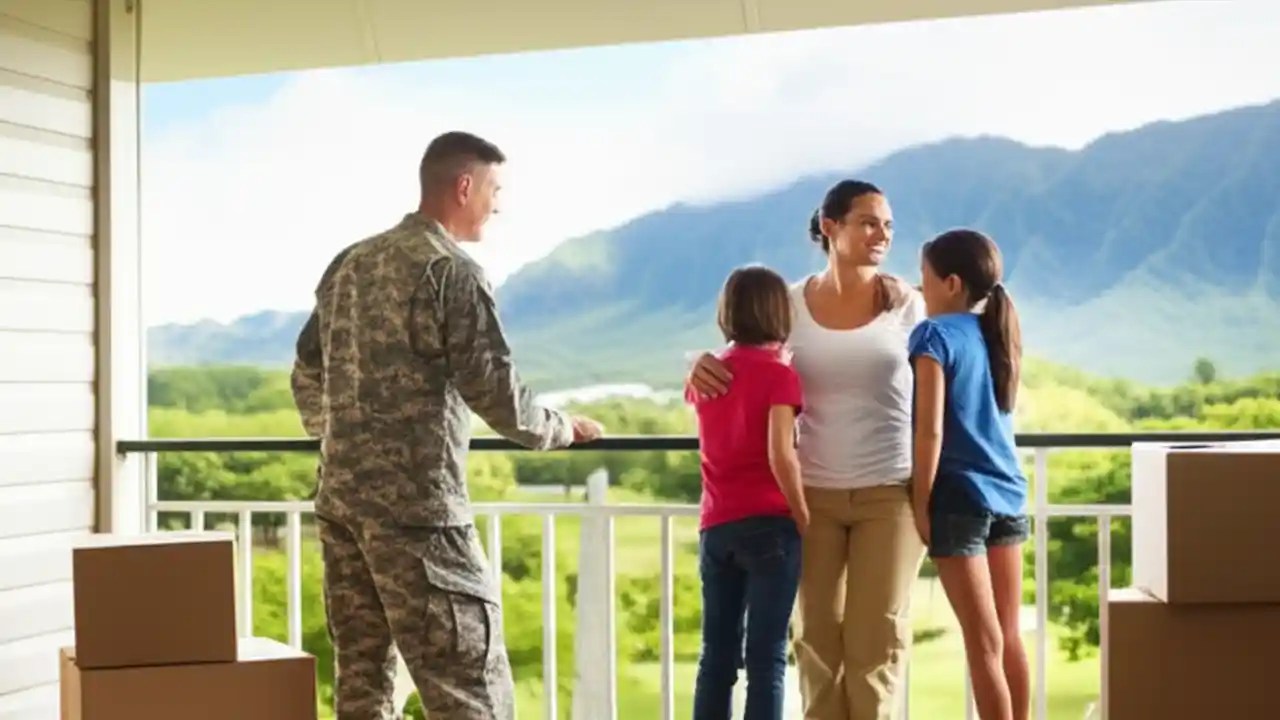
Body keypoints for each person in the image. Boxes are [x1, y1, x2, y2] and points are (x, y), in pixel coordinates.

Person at [290, 131, 604, 720]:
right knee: (470, 689)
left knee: (362, 685)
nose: (499, 204)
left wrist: (338, 438)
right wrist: (563, 428)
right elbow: (498, 395)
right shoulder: (450, 271)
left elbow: (306, 368)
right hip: (420, 516)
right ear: (465, 187)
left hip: (342, 505)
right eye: (495, 189)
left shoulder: (351, 263)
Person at [688, 180, 926, 720]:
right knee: (815, 640)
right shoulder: (788, 307)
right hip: (806, 497)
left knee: (876, 643)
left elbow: (942, 385)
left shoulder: (906, 305)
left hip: (888, 494)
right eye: (868, 221)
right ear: (830, 227)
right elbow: (739, 366)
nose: (881, 233)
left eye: (888, 224)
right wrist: (700, 363)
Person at [908, 229, 1029, 720]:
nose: (921, 290)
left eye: (925, 279)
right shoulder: (995, 331)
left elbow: (929, 431)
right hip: (1009, 495)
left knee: (982, 644)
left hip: (958, 500)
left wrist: (920, 502)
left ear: (952, 283)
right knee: (1008, 634)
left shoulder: (933, 334)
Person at [687, 265, 809, 720]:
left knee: (716, 657)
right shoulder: (780, 376)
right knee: (766, 659)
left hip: (716, 527)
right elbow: (781, 453)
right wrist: (803, 514)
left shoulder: (708, 376)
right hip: (770, 527)